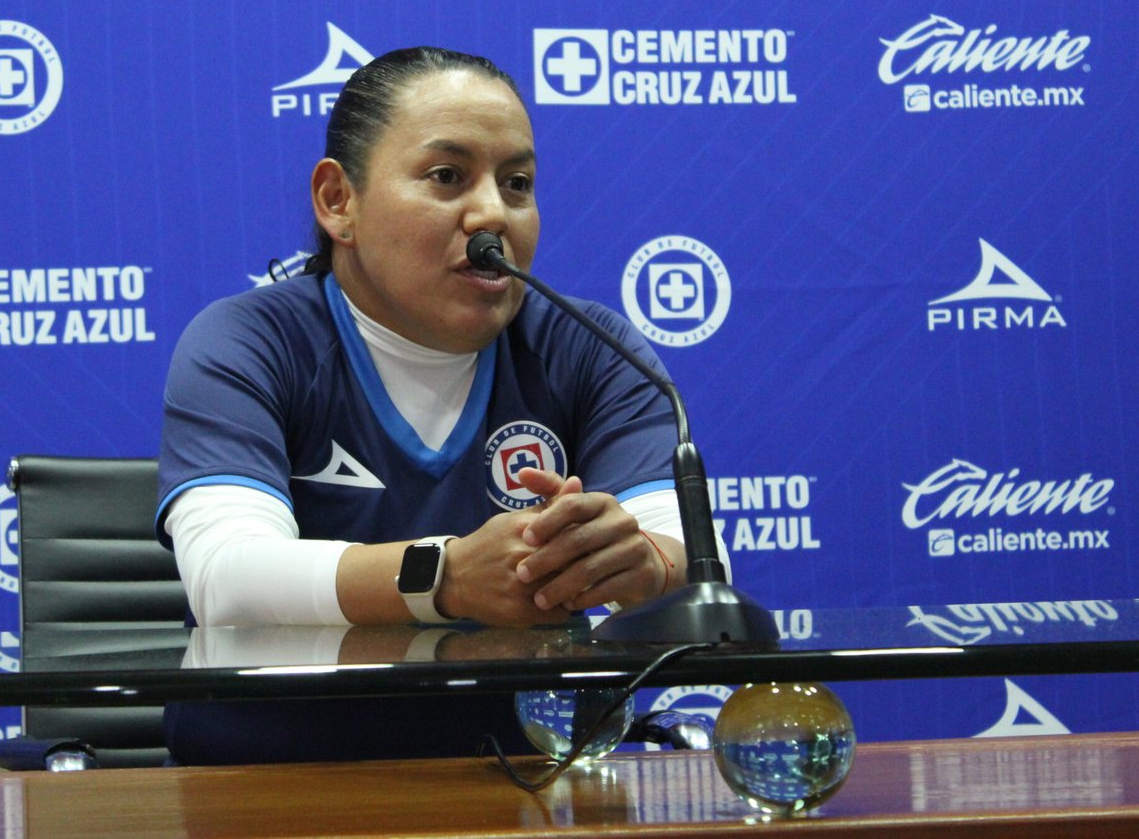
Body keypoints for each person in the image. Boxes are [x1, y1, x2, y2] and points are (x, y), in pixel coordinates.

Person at [153, 46, 725, 763]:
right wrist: (446, 576)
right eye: (448, 176)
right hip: (272, 781)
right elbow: (229, 581)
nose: (492, 211)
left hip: (528, 781)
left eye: (517, 183)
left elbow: (693, 562)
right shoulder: (249, 342)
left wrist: (632, 563)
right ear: (338, 201)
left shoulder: (590, 347)